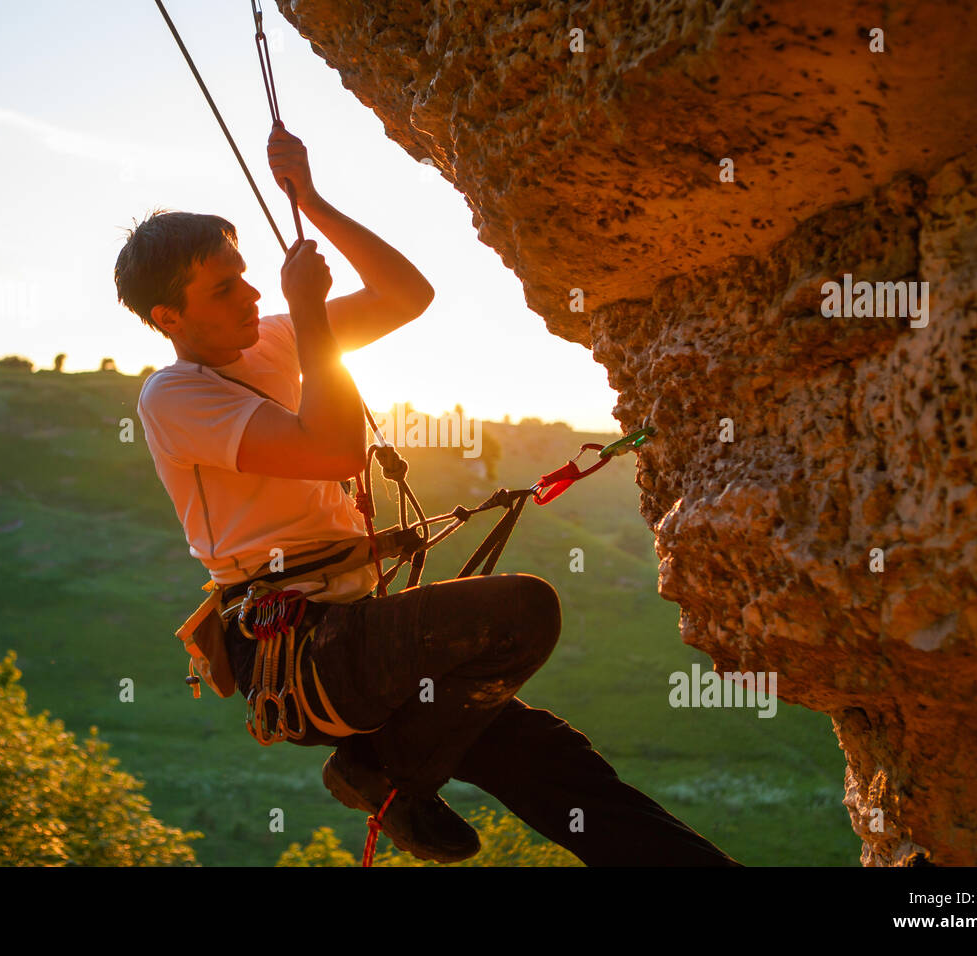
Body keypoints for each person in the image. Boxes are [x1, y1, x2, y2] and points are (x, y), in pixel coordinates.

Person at [115, 122, 741, 866]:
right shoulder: (174, 395)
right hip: (298, 651)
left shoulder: (273, 338)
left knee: (550, 759)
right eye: (225, 287)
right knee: (521, 613)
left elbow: (406, 294)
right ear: (168, 319)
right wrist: (312, 314)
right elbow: (334, 449)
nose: (252, 293)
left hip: (352, 637)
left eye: (246, 274)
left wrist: (310, 199)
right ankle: (381, 773)